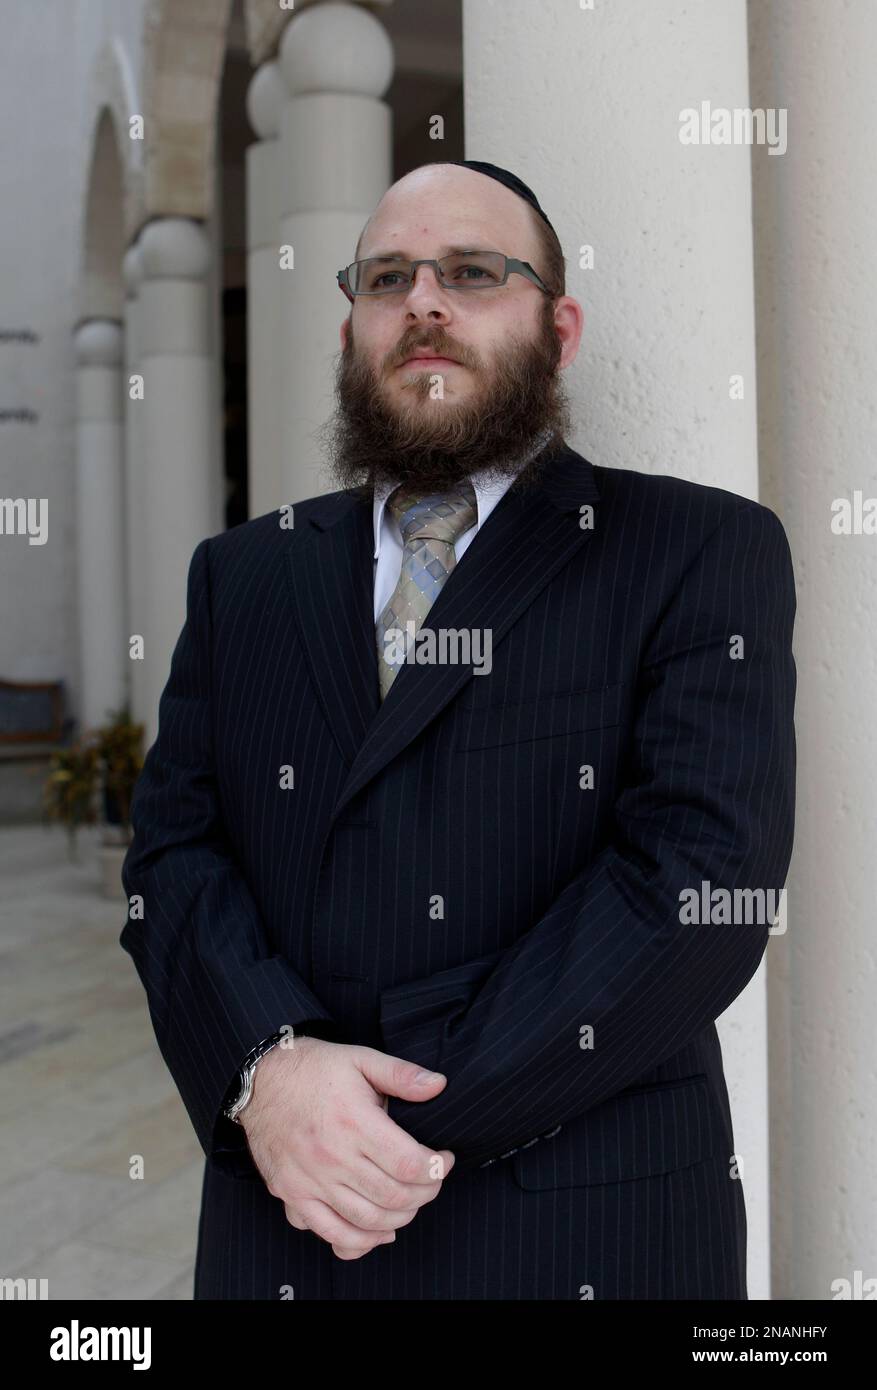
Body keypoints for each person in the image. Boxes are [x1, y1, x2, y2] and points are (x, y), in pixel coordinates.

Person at [121, 159, 796, 1300]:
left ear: (558, 326)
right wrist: (268, 1069)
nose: (423, 301)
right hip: (286, 1226)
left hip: (582, 1226)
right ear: (350, 332)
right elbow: (173, 860)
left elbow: (696, 884)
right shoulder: (242, 575)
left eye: (473, 272)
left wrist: (367, 1130)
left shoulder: (695, 549)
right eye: (388, 277)